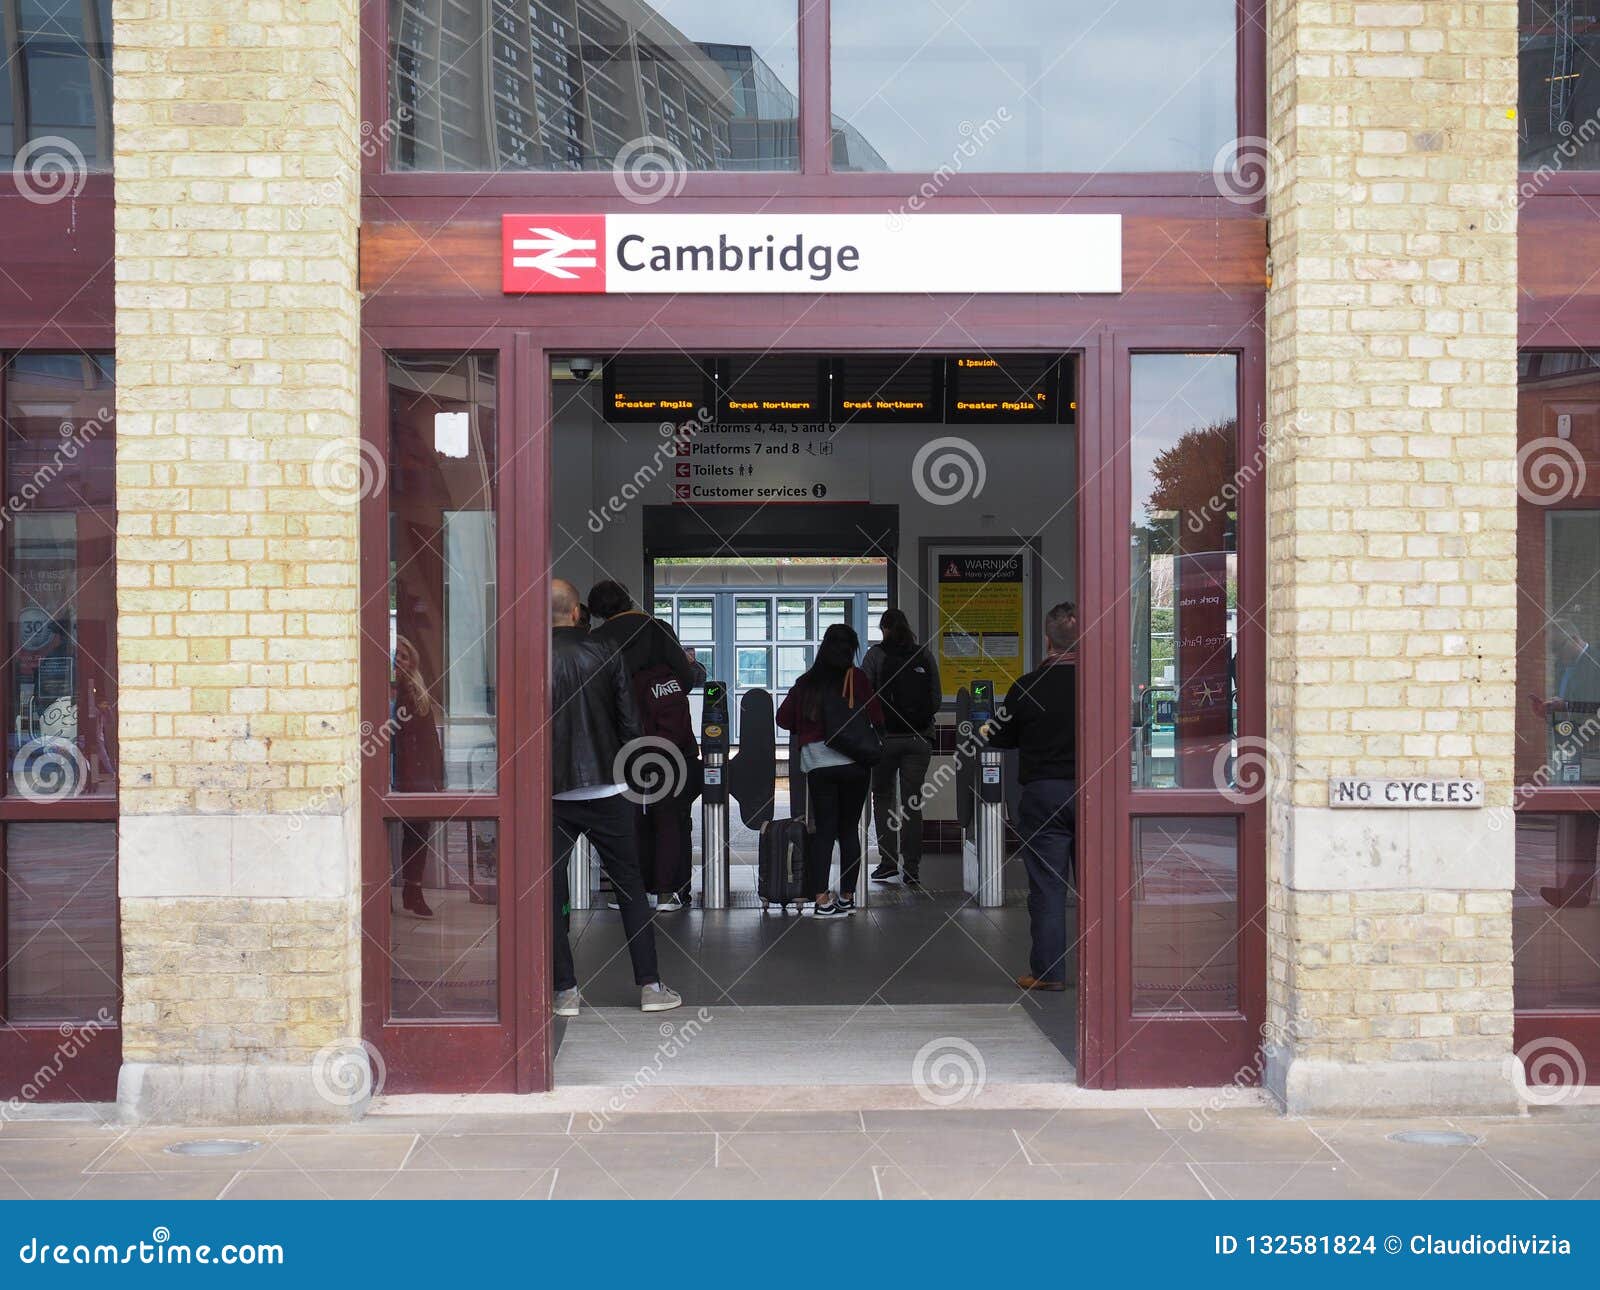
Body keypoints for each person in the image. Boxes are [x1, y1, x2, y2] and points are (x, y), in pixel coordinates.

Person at [550, 577, 682, 1015]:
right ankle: (650, 986)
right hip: (608, 787)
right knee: (629, 888)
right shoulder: (606, 652)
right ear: (576, 613)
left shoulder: (527, 656)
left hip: (552, 794)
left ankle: (564, 991)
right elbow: (630, 724)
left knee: (551, 891)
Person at [587, 579, 705, 911]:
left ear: (596, 612)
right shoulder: (658, 628)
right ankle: (668, 892)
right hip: (669, 742)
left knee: (628, 816)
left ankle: (631, 892)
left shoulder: (598, 639)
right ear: (627, 599)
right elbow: (685, 678)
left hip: (624, 743)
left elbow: (595, 695)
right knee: (669, 815)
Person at [989, 601, 1078, 992]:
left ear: (1047, 640)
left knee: (1047, 887)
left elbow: (1001, 737)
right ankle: (1108, 974)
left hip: (1043, 795)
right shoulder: (1102, 684)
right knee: (1103, 887)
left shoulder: (1025, 687)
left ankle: (1049, 973)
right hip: (1095, 794)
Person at [776, 622, 883, 917]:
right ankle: (846, 897)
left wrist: (809, 724)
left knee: (824, 831)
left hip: (819, 765)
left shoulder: (807, 682)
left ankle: (822, 899)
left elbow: (783, 719)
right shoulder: (857, 678)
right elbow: (876, 714)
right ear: (852, 649)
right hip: (855, 763)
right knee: (848, 831)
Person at [862, 608, 942, 887]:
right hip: (919, 740)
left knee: (883, 798)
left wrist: (880, 726)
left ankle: (887, 863)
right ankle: (912, 868)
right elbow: (936, 700)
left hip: (884, 740)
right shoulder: (924, 655)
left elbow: (864, 698)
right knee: (912, 802)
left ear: (884, 628)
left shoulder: (875, 656)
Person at [1529, 618, 1600, 908]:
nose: (1557, 656)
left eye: (1559, 648)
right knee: (1583, 822)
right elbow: (1573, 713)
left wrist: (1567, 707)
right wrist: (1551, 712)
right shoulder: (1566, 667)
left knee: (1585, 820)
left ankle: (1575, 891)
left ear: (1573, 637)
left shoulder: (1594, 662)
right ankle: (1575, 891)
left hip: (1594, 756)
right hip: (1580, 756)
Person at [391, 634, 441, 919]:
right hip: (386, 770)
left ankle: (413, 890)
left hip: (416, 774)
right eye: (395, 654)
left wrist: (437, 780)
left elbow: (430, 740)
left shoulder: (417, 693)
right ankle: (380, 893)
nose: (399, 660)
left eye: (404, 655)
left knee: (418, 835)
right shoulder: (376, 686)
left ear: (412, 662)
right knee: (378, 831)